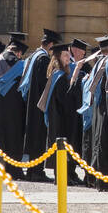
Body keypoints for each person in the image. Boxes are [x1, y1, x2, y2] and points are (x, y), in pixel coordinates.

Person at [36, 42, 82, 184]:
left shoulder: (57, 73)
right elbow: (65, 99)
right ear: (58, 57)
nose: (69, 57)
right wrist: (74, 80)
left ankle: (65, 175)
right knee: (61, 146)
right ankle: (62, 176)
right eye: (66, 55)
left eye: (69, 54)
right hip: (61, 118)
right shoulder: (60, 76)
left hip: (60, 117)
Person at [20, 30, 62, 182]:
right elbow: (45, 83)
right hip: (39, 104)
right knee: (38, 136)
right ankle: (36, 171)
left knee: (34, 136)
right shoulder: (43, 59)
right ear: (50, 45)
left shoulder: (34, 56)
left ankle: (32, 170)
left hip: (32, 101)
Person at [0, 33, 30, 173]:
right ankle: (14, 170)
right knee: (14, 139)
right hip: (14, 112)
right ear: (18, 52)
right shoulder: (21, 67)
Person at [80, 34, 108, 191]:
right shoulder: (107, 63)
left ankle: (96, 179)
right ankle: (104, 181)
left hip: (95, 106)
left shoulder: (98, 63)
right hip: (103, 106)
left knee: (96, 143)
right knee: (103, 142)